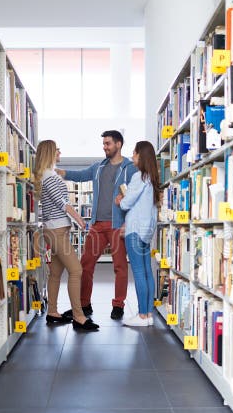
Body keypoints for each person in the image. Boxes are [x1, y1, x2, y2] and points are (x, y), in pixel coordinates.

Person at [56, 130, 137, 320]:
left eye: (108, 143)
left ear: (118, 144)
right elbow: (80, 175)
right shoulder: (99, 167)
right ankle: (84, 305)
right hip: (97, 225)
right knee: (85, 264)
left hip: (118, 224)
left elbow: (136, 194)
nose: (105, 147)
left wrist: (129, 221)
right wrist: (61, 172)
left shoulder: (130, 168)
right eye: (104, 144)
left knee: (120, 267)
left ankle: (118, 305)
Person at [33, 140, 99, 331]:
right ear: (50, 153)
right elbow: (62, 202)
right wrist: (79, 218)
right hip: (57, 231)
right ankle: (79, 316)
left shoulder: (48, 175)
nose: (60, 151)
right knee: (76, 271)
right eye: (57, 149)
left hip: (52, 229)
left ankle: (52, 313)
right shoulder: (50, 177)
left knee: (55, 273)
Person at [115, 141, 160, 327]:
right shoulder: (153, 180)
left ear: (140, 155)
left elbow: (127, 203)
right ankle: (148, 313)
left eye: (134, 153)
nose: (132, 156)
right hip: (147, 231)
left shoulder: (138, 177)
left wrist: (120, 200)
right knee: (148, 271)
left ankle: (141, 316)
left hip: (134, 230)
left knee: (139, 273)